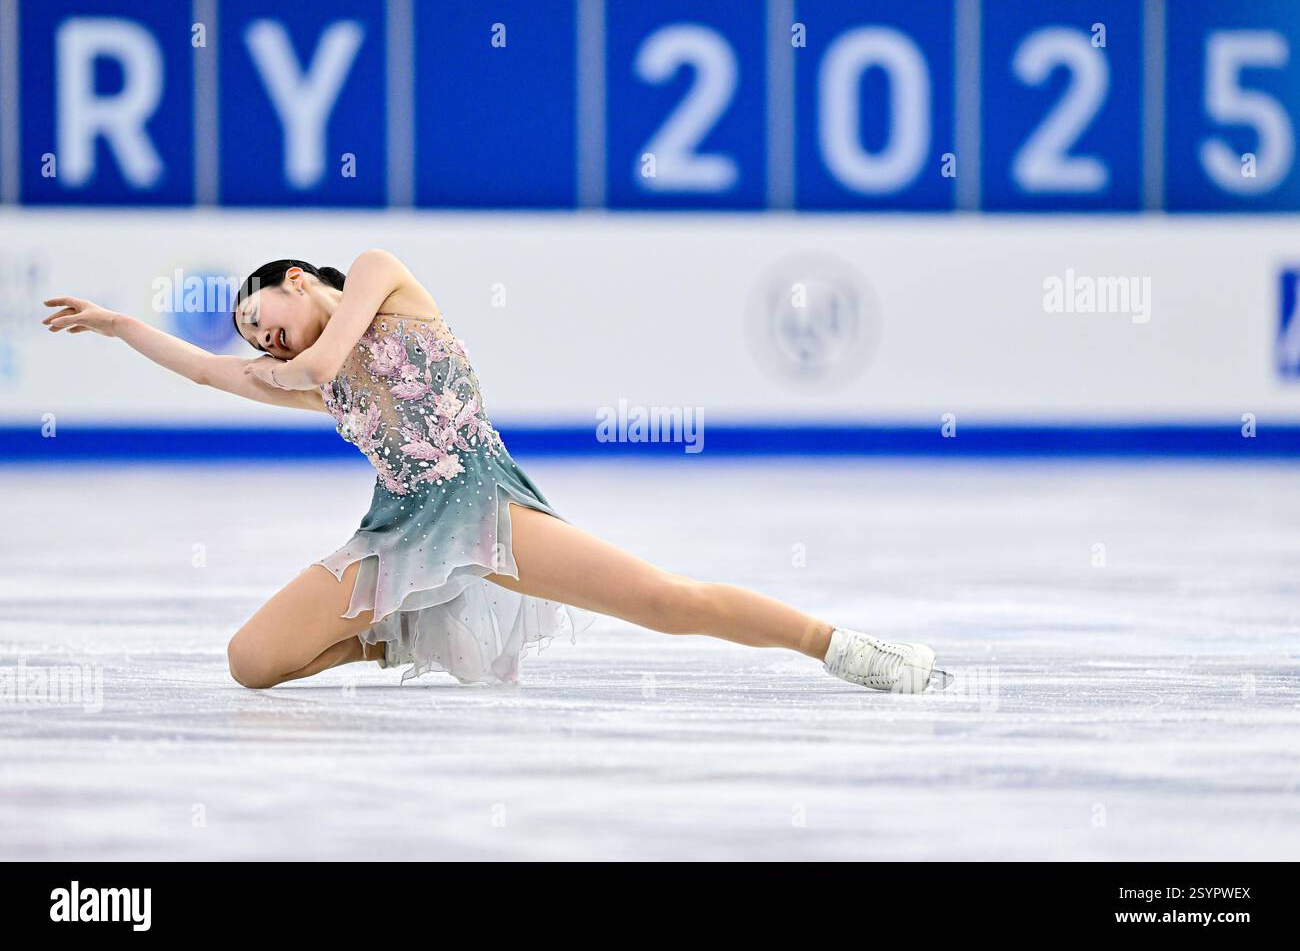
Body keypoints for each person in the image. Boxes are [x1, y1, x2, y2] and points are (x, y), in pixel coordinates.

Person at [42, 250, 951, 694]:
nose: (259, 340)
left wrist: (285, 370)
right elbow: (210, 372)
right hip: (397, 531)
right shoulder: (311, 378)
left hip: (483, 506)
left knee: (665, 601)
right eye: (250, 336)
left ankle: (845, 648)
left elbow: (316, 361)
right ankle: (407, 633)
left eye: (259, 317)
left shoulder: (376, 277)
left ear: (296, 279)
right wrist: (121, 326)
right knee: (253, 663)